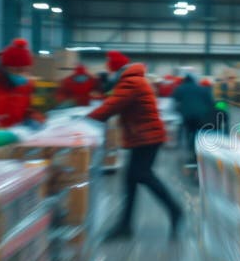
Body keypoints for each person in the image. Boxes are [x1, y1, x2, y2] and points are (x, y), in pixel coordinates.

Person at [87, 51, 183, 240]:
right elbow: (112, 101)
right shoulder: (133, 80)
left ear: (117, 70)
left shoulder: (131, 82)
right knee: (131, 180)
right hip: (143, 137)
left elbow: (112, 105)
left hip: (146, 138)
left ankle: (175, 210)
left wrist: (86, 120)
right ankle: (125, 226)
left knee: (142, 175)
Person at [173, 73, 218, 163]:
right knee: (199, 132)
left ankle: (191, 148)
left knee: (189, 131)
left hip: (187, 115)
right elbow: (210, 102)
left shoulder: (180, 88)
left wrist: (180, 109)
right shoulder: (202, 88)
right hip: (202, 115)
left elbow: (175, 99)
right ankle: (199, 150)